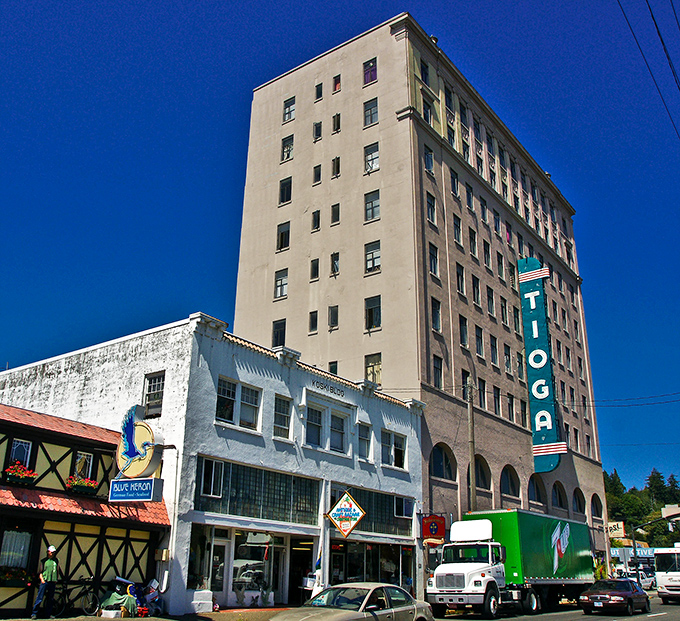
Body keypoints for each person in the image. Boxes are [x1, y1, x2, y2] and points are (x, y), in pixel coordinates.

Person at [31, 545, 59, 619]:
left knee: (50, 599)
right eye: (51, 552)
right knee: (40, 597)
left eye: (53, 552)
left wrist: (56, 579)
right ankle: (34, 613)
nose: (52, 554)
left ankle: (48, 614)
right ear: (48, 552)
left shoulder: (56, 560)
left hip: (52, 581)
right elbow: (40, 572)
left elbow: (57, 570)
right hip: (45, 581)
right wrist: (42, 580)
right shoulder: (44, 561)